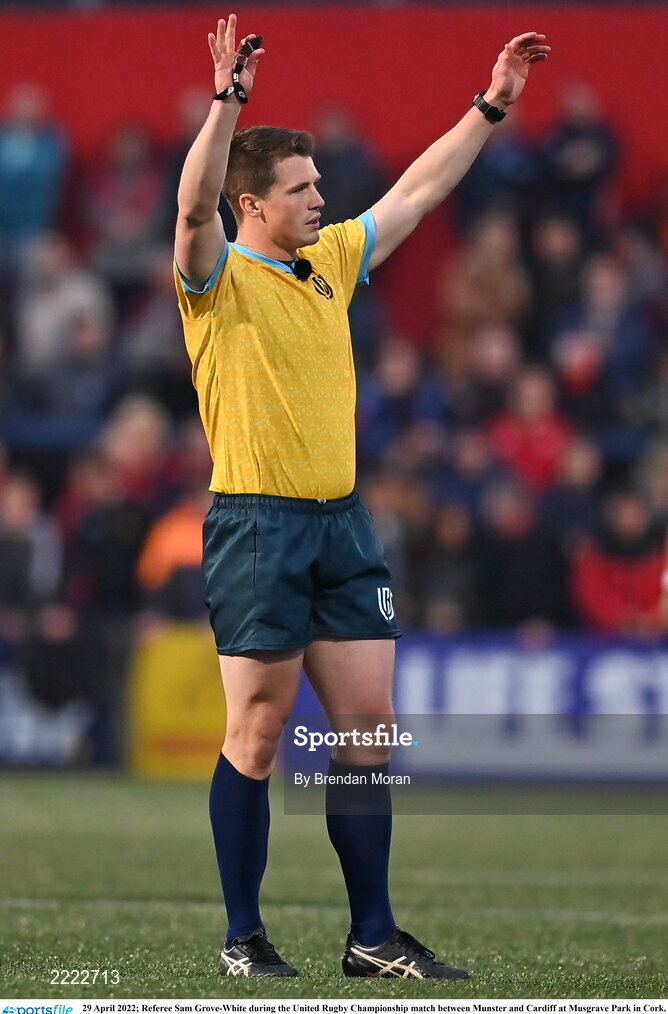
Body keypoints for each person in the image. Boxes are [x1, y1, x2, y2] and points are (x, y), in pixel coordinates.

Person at [174, 14, 550, 979]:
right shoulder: (212, 277)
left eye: (317, 183)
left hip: (342, 521)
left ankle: (372, 937)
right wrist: (227, 104)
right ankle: (242, 938)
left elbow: (420, 189)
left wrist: (492, 104)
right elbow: (188, 210)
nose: (320, 197)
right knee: (256, 734)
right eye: (300, 188)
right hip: (257, 523)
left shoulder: (330, 261)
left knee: (370, 728)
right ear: (249, 205)